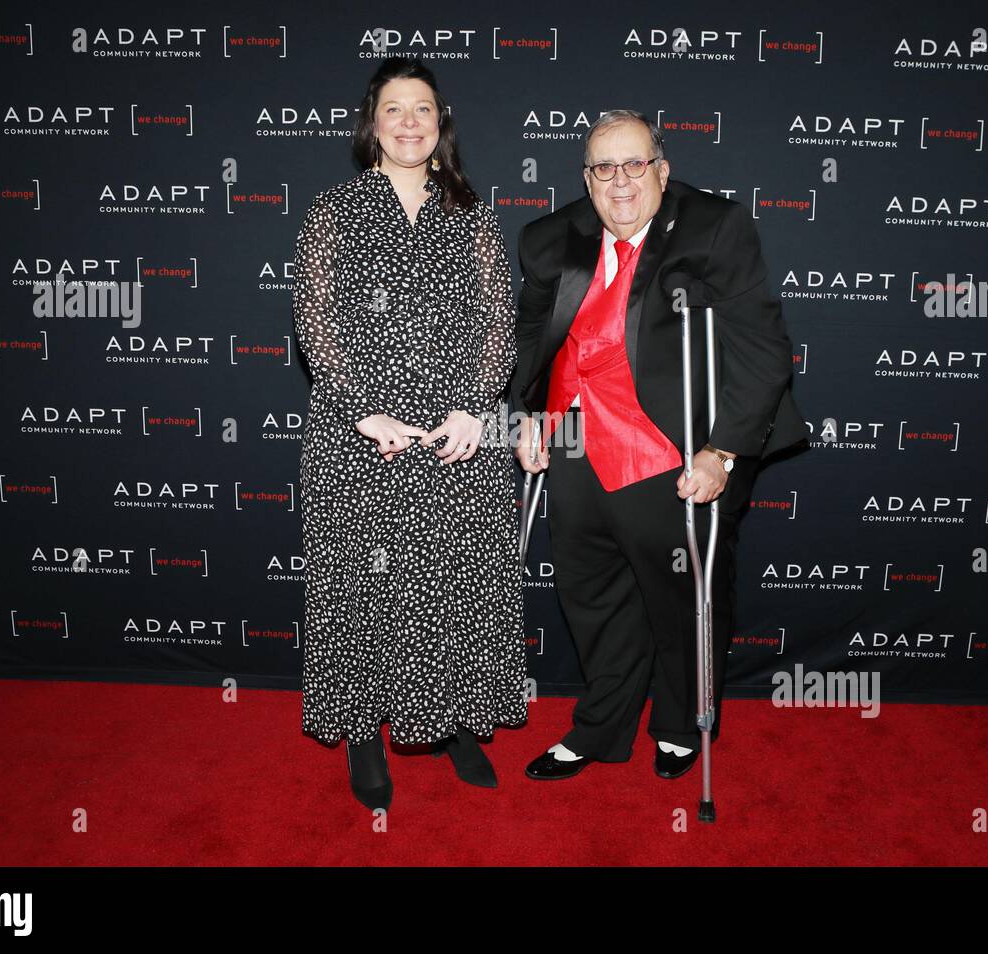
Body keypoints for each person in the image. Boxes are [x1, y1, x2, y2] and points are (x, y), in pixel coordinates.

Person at [512, 110, 808, 781]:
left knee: (679, 597)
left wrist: (723, 452)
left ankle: (677, 725)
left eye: (634, 164)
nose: (620, 182)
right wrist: (525, 412)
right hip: (578, 441)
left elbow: (762, 351)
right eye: (603, 168)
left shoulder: (713, 229)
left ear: (662, 170)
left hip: (670, 449)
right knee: (592, 596)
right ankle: (601, 726)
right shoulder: (550, 237)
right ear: (587, 179)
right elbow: (528, 337)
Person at [292, 57, 527, 811]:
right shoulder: (332, 212)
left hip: (458, 438)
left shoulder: (474, 215)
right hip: (360, 438)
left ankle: (453, 716)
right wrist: (363, 410)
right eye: (393, 108)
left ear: (440, 121)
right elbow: (316, 323)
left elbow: (499, 324)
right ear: (372, 123)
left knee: (455, 584)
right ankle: (364, 731)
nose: (408, 121)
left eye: (421, 108)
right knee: (364, 587)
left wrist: (472, 406)